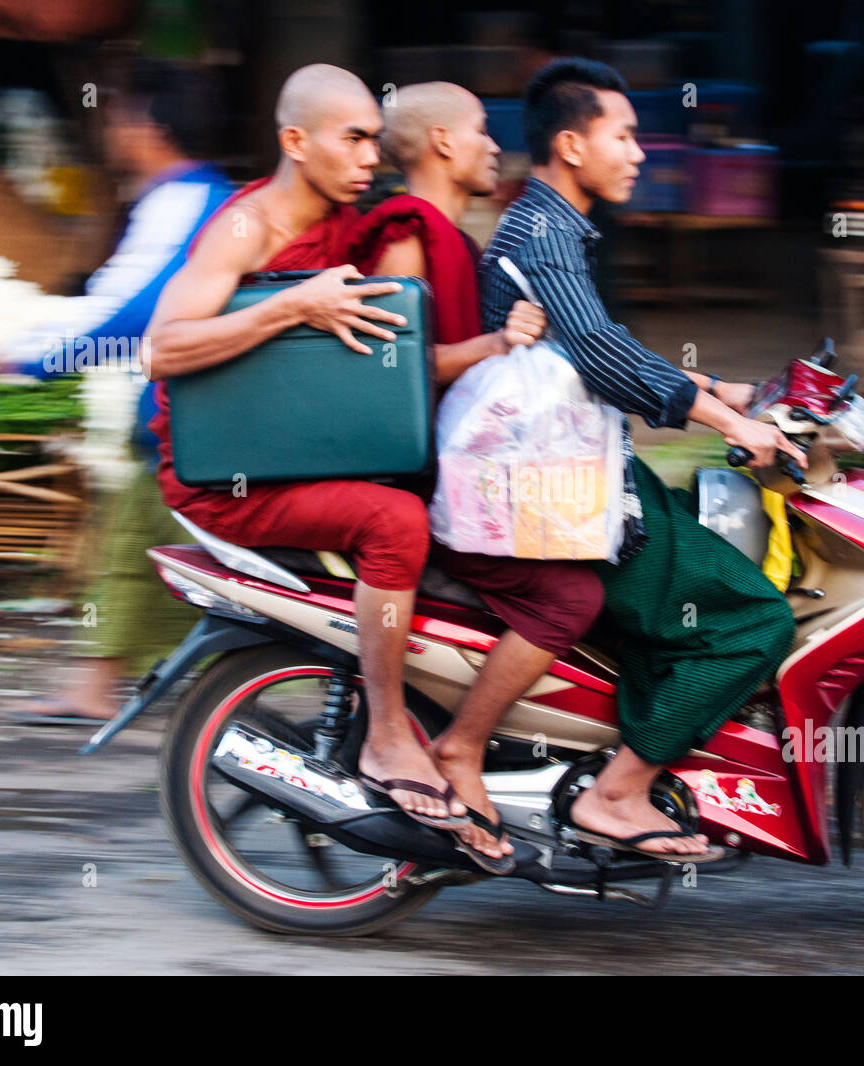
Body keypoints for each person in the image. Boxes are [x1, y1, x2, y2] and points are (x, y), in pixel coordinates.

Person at [478, 58, 801, 859]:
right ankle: (617, 793)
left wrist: (720, 387)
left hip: (580, 474)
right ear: (570, 144)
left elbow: (593, 348)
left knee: (715, 543)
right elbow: (598, 357)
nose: (641, 152)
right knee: (759, 617)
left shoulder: (550, 226)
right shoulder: (546, 230)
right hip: (562, 495)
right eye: (623, 135)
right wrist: (731, 420)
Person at [144, 64, 467, 834]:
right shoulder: (244, 226)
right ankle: (387, 737)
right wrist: (292, 304)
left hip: (299, 452)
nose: (369, 157)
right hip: (228, 480)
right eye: (351, 138)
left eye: (375, 141)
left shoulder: (356, 228)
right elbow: (161, 348)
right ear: (295, 140)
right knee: (394, 524)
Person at [334, 81, 605, 870]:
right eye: (483, 131)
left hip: (463, 476)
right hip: (417, 491)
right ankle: (464, 746)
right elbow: (393, 371)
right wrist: (497, 345)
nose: (497, 146)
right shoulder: (410, 235)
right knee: (573, 597)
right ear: (444, 143)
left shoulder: (452, 235)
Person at [1, 59, 235, 723]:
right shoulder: (197, 197)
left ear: (151, 124)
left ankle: (107, 686)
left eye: (120, 112)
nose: (112, 127)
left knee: (142, 546)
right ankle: (133, 680)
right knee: (145, 546)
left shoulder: (181, 201)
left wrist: (32, 361)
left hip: (185, 411)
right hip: (194, 411)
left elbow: (130, 313)